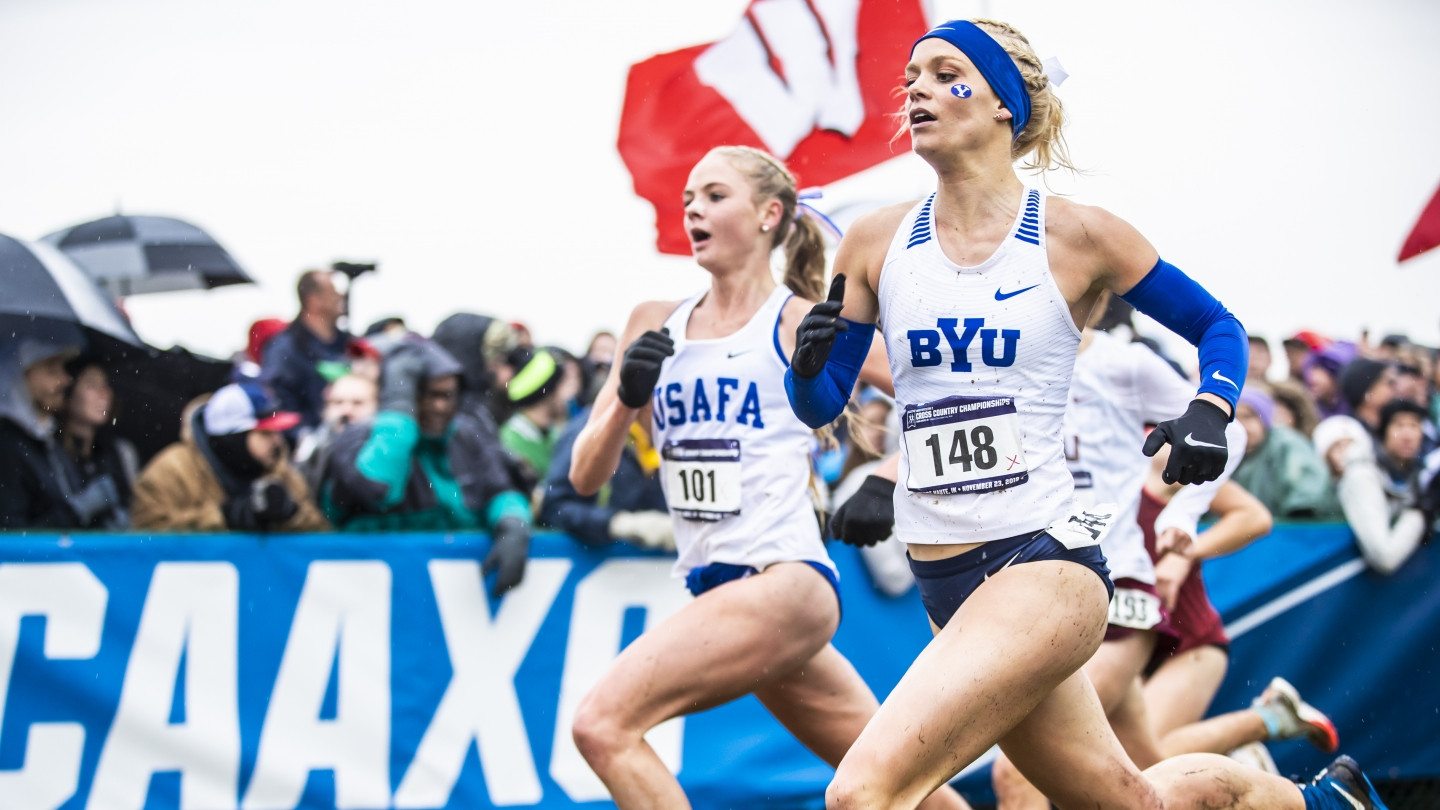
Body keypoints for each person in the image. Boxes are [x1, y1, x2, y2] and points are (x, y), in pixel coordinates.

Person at [785, 18, 1386, 810]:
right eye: (912, 77)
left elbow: (1220, 329)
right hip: (946, 581)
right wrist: (806, 373)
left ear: (1003, 104)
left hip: (1043, 568)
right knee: (1130, 802)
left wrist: (1209, 408)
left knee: (859, 794)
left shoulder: (1076, 234)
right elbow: (821, 406)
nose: (917, 90)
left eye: (944, 73)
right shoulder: (872, 240)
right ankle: (1321, 804)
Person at [566, 145, 965, 810]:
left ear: (768, 214)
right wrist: (625, 400)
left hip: (783, 582)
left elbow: (945, 399)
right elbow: (584, 477)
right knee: (888, 788)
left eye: (715, 195)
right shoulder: (650, 322)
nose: (693, 207)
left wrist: (888, 476)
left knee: (601, 726)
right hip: (721, 588)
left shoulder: (797, 321)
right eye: (689, 196)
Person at [989, 297, 1249, 808]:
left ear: (1100, 293)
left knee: (1016, 775)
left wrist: (1181, 518)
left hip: (1118, 584)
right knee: (1143, 776)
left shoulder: (1122, 363)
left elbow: (1230, 434)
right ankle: (1304, 797)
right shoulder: (1003, 372)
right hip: (1043, 589)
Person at [1137, 449, 1338, 765]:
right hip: (1121, 648)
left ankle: (1268, 720)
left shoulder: (1157, 458)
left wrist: (1184, 554)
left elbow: (1254, 516)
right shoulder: (1058, 468)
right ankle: (1231, 751)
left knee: (1141, 763)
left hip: (1189, 645)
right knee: (1104, 767)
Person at [322, 337, 533, 596]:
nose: (440, 405)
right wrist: (400, 413)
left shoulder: (465, 435)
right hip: (376, 597)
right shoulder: (358, 437)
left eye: (448, 396)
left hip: (456, 600)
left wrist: (512, 523)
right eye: (429, 396)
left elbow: (500, 489)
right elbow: (378, 488)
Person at [131, 382, 330, 532]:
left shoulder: (282, 474)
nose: (277, 441)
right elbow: (144, 533)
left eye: (277, 432)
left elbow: (324, 540)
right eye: (265, 433)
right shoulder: (171, 470)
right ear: (233, 438)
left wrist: (291, 514)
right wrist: (224, 517)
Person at [0, 338, 125, 530]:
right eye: (51, 370)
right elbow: (14, 537)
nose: (65, 380)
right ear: (20, 377)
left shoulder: (46, 438)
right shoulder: (8, 446)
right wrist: (77, 511)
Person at [540, 407, 672, 551]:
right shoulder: (589, 430)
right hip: (591, 561)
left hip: (641, 566)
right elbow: (554, 507)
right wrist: (615, 523)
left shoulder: (662, 434)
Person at [261, 269, 357, 431]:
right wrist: (306, 438)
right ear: (313, 300)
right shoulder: (284, 348)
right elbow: (278, 403)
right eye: (333, 291)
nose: (341, 296)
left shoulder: (350, 345)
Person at [1231, 387, 1340, 519]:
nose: (1242, 424)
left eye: (1248, 416)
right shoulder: (1225, 451)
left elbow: (1308, 494)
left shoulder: (1286, 445)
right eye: (1234, 418)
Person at [55, 358, 139, 528]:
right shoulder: (48, 452)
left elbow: (135, 511)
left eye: (106, 385)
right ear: (68, 393)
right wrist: (84, 505)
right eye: (92, 385)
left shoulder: (120, 453)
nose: (104, 393)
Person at [500, 347, 581, 484]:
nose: (571, 394)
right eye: (563, 384)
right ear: (547, 393)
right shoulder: (510, 441)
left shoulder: (554, 433)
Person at [293, 373, 379, 492]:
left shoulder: (384, 446)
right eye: (338, 402)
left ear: (377, 406)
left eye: (358, 403)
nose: (346, 410)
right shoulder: (315, 445)